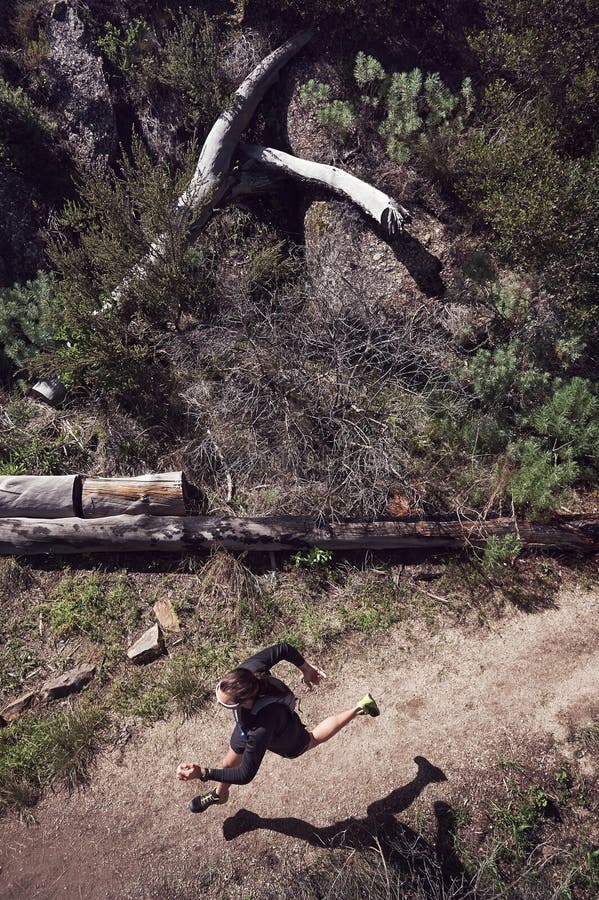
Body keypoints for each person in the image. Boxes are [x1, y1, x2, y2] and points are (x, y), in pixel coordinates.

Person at [176, 641, 380, 813]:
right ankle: (218, 796)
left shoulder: (261, 728)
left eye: (225, 704)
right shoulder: (247, 672)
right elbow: (283, 648)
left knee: (313, 739)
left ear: (244, 701)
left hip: (282, 731)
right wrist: (306, 668)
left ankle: (359, 708)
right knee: (228, 763)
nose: (219, 704)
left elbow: (245, 774)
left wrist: (203, 772)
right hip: (246, 723)